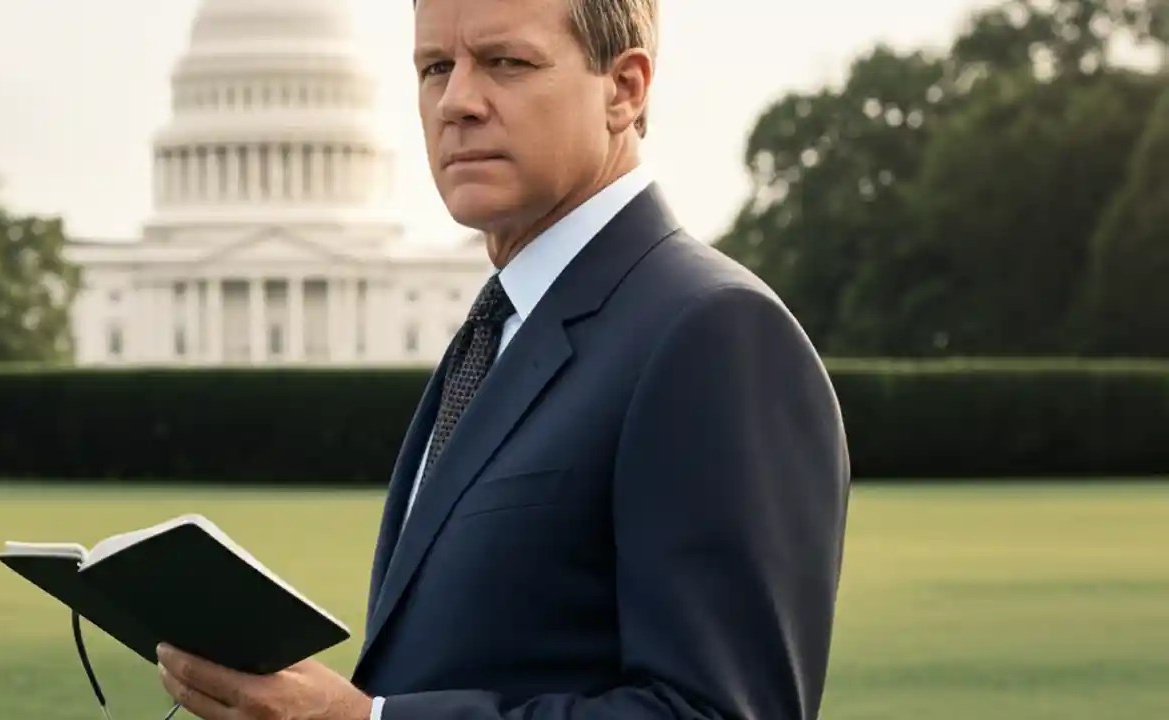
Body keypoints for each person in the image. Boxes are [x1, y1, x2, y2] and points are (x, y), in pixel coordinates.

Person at [156, 0, 852, 718]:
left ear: (625, 89)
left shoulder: (714, 334)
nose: (456, 102)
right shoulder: (504, 324)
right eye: (435, 68)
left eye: (505, 63)